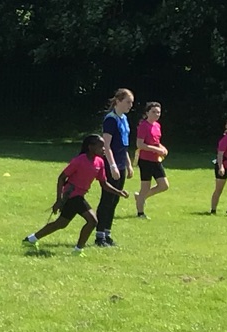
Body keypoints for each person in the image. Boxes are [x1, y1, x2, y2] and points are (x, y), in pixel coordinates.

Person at [25, 135, 118, 251]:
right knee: (93, 221)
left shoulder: (100, 162)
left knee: (61, 223)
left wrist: (119, 192)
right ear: (90, 147)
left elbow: (104, 184)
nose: (103, 149)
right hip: (72, 195)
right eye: (100, 146)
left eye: (104, 146)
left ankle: (30, 239)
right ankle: (78, 249)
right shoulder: (79, 160)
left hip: (78, 196)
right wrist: (59, 199)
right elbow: (61, 178)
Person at [93, 88, 134, 245]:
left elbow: (124, 145)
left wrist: (128, 165)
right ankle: (99, 235)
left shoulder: (124, 118)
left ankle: (107, 234)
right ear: (118, 101)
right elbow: (107, 146)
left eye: (131, 102)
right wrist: (112, 166)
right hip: (111, 165)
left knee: (115, 200)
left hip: (121, 163)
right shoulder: (111, 119)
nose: (130, 105)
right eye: (127, 102)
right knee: (107, 199)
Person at [134, 100, 169, 216]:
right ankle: (140, 213)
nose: (157, 114)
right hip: (145, 160)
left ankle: (140, 197)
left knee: (164, 185)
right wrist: (156, 150)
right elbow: (140, 144)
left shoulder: (157, 126)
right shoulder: (143, 126)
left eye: (158, 112)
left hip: (156, 160)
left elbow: (156, 142)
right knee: (145, 187)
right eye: (154, 112)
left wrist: (163, 148)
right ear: (147, 113)